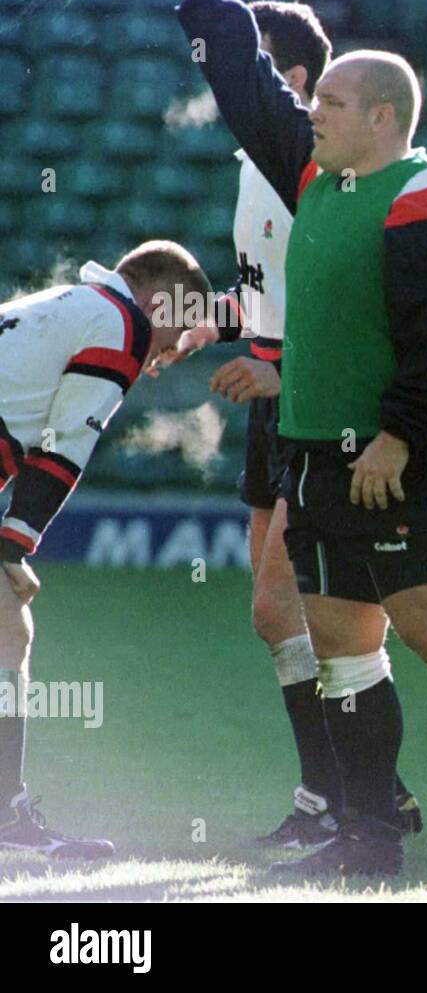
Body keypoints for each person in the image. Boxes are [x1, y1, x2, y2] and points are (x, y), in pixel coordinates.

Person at [177, 0, 427, 877]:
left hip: (401, 465)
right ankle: (368, 836)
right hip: (314, 459)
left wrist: (400, 435)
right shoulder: (319, 173)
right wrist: (205, 0)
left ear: (385, 118)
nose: (311, 110)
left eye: (332, 103)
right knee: (345, 653)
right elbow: (248, 88)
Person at [158, 0, 421, 850]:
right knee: (279, 614)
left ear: (291, 78)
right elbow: (274, 293)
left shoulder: (321, 173)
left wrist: (278, 362)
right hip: (275, 400)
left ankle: (356, 796)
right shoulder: (260, 165)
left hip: (313, 403)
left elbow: (341, 301)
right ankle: (353, 791)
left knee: (289, 607)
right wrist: (214, 316)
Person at [0, 243, 212, 856]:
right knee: (8, 631)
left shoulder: (68, 302)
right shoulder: (122, 326)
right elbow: (63, 446)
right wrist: (16, 546)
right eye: (178, 325)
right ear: (155, 300)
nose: (171, 350)